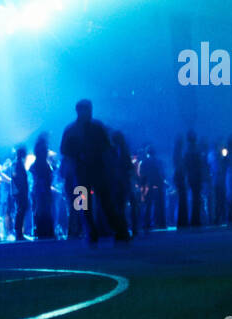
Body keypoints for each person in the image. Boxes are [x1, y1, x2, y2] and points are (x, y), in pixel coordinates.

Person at [59, 99, 130, 243]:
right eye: (87, 109)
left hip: (91, 171)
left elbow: (106, 147)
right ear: (80, 111)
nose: (89, 112)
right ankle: (98, 231)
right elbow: (65, 149)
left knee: (101, 202)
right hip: (87, 171)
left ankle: (104, 231)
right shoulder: (87, 127)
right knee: (91, 203)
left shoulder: (87, 127)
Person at [31, 134, 55, 239]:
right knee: (44, 208)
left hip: (41, 186)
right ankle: (44, 230)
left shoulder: (38, 161)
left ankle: (41, 230)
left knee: (42, 208)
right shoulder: (42, 162)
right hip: (42, 187)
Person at [139, 145, 166, 232]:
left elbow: (141, 174)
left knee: (148, 205)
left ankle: (147, 223)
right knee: (159, 205)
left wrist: (143, 187)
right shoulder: (158, 162)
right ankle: (160, 223)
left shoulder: (143, 162)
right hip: (158, 185)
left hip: (148, 186)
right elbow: (161, 174)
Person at [11, 146, 30, 240]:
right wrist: (21, 190)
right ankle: (18, 233)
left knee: (21, 210)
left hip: (20, 191)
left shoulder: (18, 163)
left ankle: (19, 232)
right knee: (20, 210)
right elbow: (16, 178)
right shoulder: (17, 164)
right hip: (20, 192)